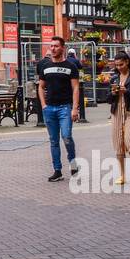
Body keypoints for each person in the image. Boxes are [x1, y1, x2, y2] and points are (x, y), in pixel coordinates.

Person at [37, 36, 81, 183]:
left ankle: (73, 163)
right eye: (51, 46)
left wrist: (75, 108)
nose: (53, 48)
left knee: (67, 137)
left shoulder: (70, 66)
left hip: (65, 108)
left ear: (63, 47)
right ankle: (57, 171)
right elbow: (41, 86)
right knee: (53, 141)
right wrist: (43, 105)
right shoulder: (45, 66)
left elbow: (75, 88)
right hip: (49, 108)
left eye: (56, 46)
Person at [107, 51, 130, 185]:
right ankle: (122, 175)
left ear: (127, 62)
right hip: (116, 112)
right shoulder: (114, 78)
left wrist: (126, 91)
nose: (119, 67)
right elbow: (108, 99)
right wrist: (112, 93)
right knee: (118, 144)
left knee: (129, 142)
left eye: (121, 64)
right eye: (116, 65)